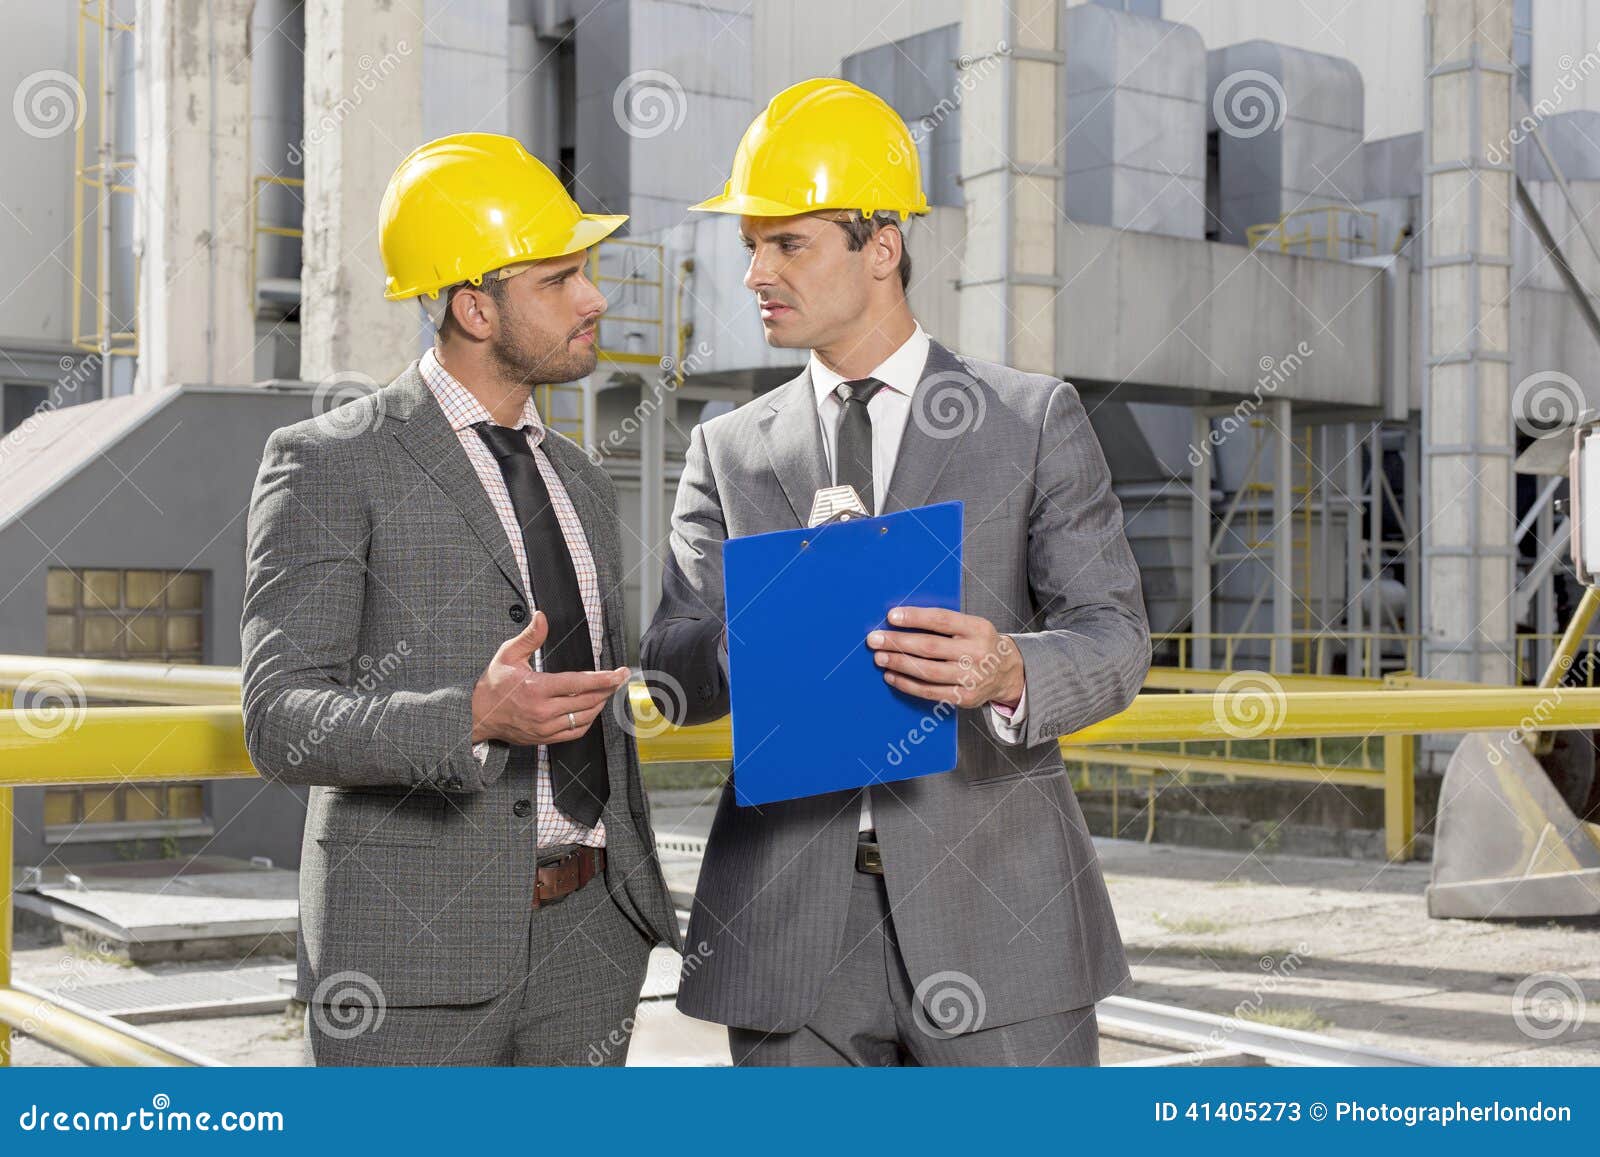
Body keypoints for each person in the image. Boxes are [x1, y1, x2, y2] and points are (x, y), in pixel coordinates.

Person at [642, 79, 1151, 1066]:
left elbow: (1114, 633)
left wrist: (1011, 670)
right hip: (793, 934)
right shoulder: (730, 448)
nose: (756, 272)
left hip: (1001, 918)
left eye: (787, 242)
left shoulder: (1027, 419)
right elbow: (668, 662)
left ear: (881, 249)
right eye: (750, 244)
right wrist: (747, 638)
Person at [241, 132, 679, 1066]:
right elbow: (280, 719)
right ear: (476, 307)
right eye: (560, 279)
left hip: (591, 940)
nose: (595, 298)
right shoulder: (329, 460)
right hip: (410, 958)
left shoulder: (581, 481)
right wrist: (471, 718)